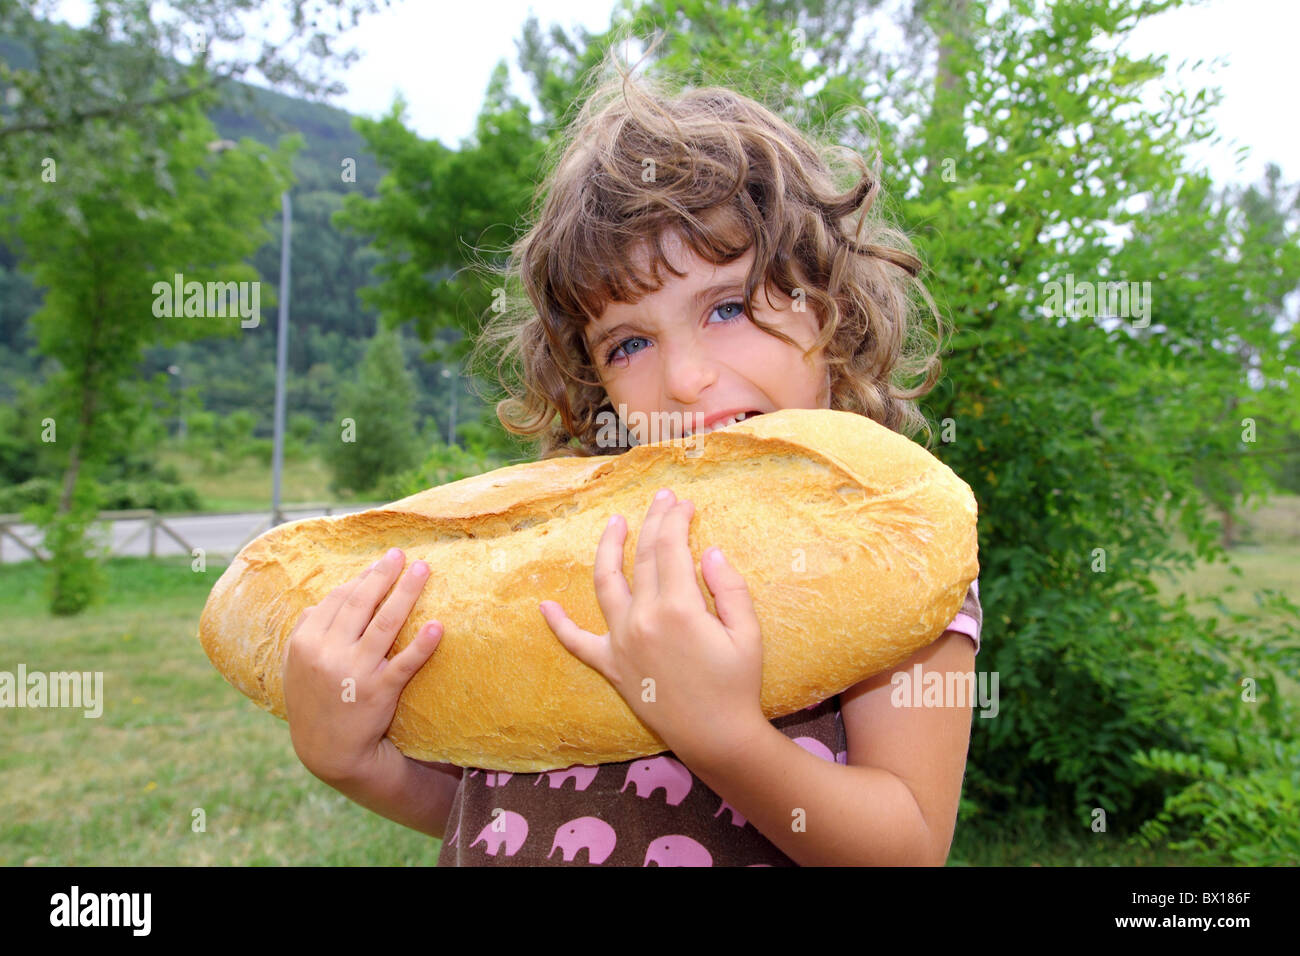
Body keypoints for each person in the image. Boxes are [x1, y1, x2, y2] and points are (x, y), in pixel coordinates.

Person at [281, 43, 984, 867]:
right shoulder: (574, 558)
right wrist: (356, 764)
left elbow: (905, 848)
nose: (685, 380)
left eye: (726, 307)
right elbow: (490, 812)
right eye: (628, 344)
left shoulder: (886, 553)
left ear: (831, 306)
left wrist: (722, 735)